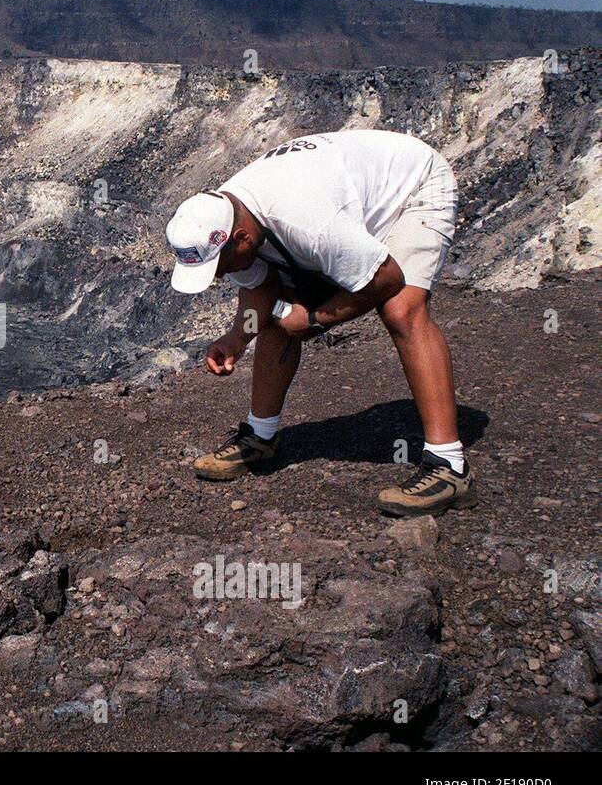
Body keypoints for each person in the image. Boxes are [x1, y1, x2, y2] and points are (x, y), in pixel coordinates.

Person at [164, 130, 475, 516]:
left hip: (414, 188)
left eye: (219, 266)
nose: (217, 278)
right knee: (279, 312)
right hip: (345, 203)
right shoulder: (225, 217)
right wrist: (235, 340)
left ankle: (449, 467)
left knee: (401, 310)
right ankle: (259, 438)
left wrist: (313, 320)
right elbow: (260, 291)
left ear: (242, 240)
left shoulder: (308, 223)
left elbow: (386, 277)